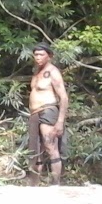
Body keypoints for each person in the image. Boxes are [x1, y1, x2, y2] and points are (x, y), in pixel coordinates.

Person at [27, 44, 68, 185]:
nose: (38, 57)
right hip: (35, 113)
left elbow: (63, 97)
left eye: (41, 54)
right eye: (36, 55)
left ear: (49, 56)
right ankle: (34, 185)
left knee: (50, 147)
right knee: (35, 150)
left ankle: (55, 184)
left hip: (48, 111)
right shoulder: (37, 72)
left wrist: (60, 121)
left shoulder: (53, 72)